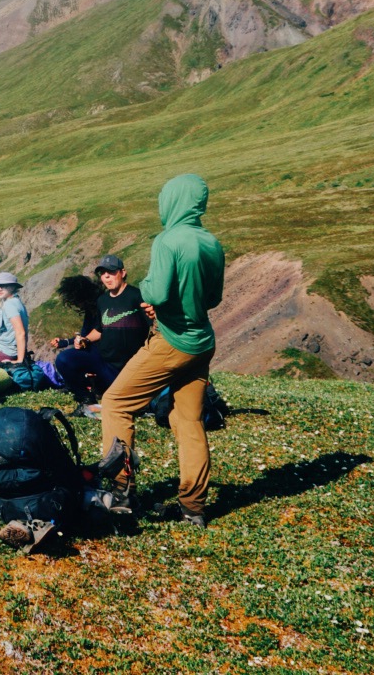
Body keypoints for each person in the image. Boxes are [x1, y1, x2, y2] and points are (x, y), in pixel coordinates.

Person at [96, 174, 225, 527]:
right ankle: (193, 507)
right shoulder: (211, 242)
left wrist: (157, 301)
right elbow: (213, 298)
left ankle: (120, 492)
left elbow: (153, 292)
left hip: (171, 342)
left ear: (172, 202)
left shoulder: (167, 240)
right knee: (189, 421)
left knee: (116, 404)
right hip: (202, 343)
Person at [54, 255, 149, 413]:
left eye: (111, 272)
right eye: (103, 273)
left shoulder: (137, 296)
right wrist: (83, 340)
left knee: (132, 402)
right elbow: (98, 330)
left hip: (131, 365)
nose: (106, 276)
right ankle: (86, 400)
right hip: (105, 363)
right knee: (64, 359)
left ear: (123, 272)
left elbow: (153, 327)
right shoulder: (102, 301)